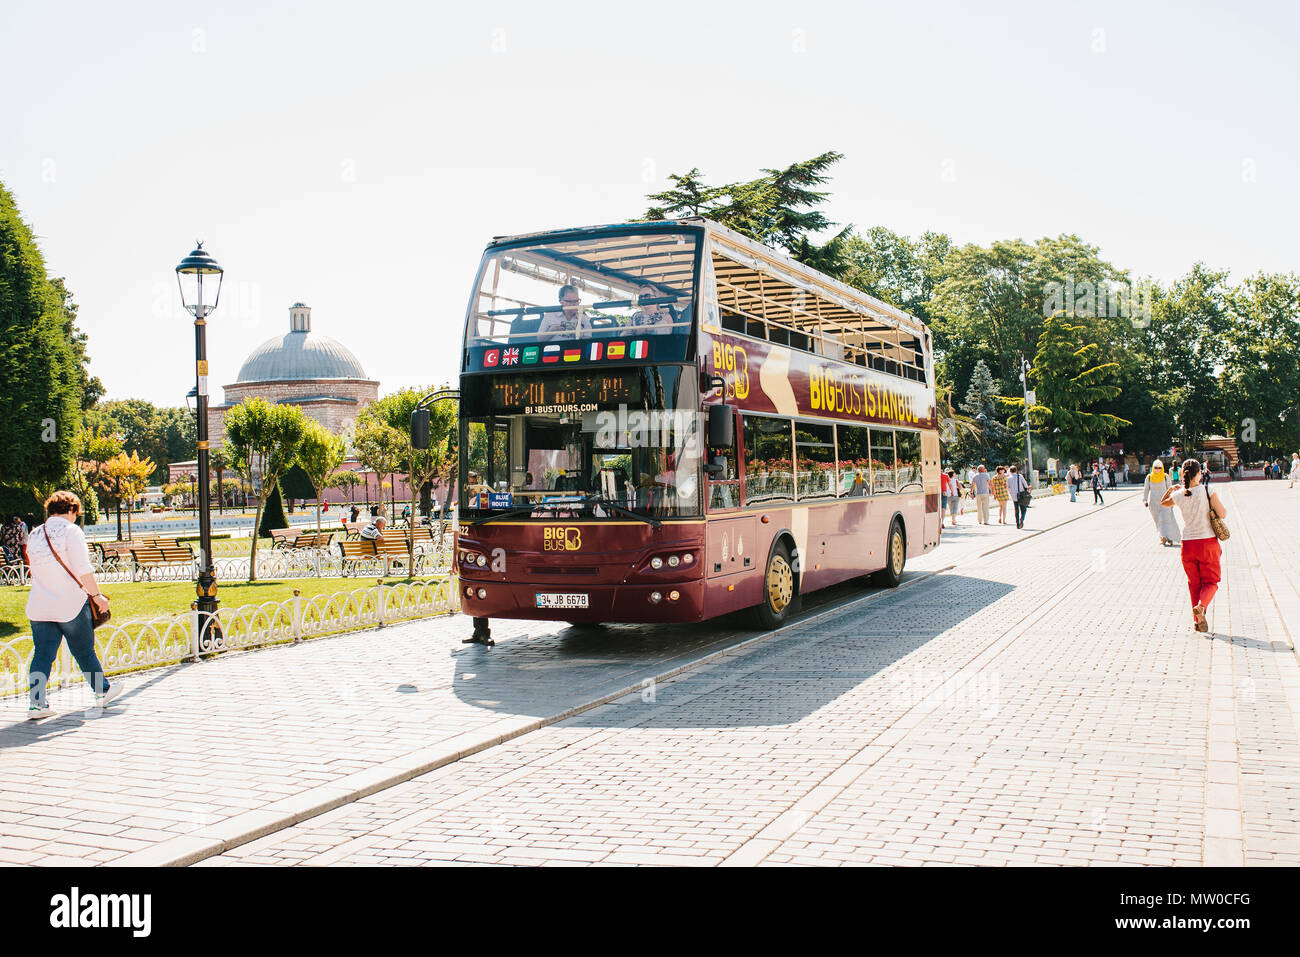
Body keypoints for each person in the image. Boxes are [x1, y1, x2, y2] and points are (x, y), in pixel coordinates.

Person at [25, 491, 119, 719]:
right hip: (69, 604)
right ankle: (102, 691)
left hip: (40, 604)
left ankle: (37, 704)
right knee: (84, 650)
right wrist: (97, 596)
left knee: (43, 654)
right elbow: (83, 569)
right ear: (71, 510)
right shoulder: (72, 532)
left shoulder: (35, 533)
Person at [1161, 459, 1225, 633]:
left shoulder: (1179, 495)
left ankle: (1197, 622)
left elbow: (1163, 503)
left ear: (1183, 474)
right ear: (1199, 473)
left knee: (1194, 584)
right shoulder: (1207, 490)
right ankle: (1201, 607)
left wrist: (1171, 489)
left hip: (1188, 545)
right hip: (1207, 543)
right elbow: (1223, 513)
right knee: (1211, 582)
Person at [1142, 459, 1180, 547]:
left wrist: (1172, 501)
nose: (1158, 470)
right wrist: (1145, 500)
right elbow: (1146, 489)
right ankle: (1163, 537)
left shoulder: (1165, 477)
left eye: (1160, 468)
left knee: (1165, 520)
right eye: (1156, 468)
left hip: (1165, 502)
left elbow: (1170, 489)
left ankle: (1167, 537)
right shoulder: (1149, 477)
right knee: (1158, 521)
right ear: (1153, 468)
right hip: (1153, 503)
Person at [1008, 464, 1030, 529]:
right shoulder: (1020, 476)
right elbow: (1025, 485)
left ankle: (1017, 524)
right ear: (1016, 470)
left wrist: (1011, 494)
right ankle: (1022, 519)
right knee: (1023, 509)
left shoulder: (1008, 478)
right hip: (1021, 495)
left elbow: (1008, 487)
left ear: (1010, 471)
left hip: (1014, 496)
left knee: (1016, 510)